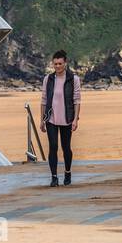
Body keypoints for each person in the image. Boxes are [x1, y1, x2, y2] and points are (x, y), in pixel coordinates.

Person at [40, 49, 81, 187]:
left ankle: (67, 172)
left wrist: (75, 119)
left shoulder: (73, 79)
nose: (57, 66)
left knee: (66, 147)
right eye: (55, 64)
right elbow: (44, 100)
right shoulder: (48, 79)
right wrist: (42, 120)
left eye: (60, 63)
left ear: (65, 63)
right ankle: (54, 177)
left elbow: (77, 100)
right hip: (51, 118)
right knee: (53, 146)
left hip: (67, 118)